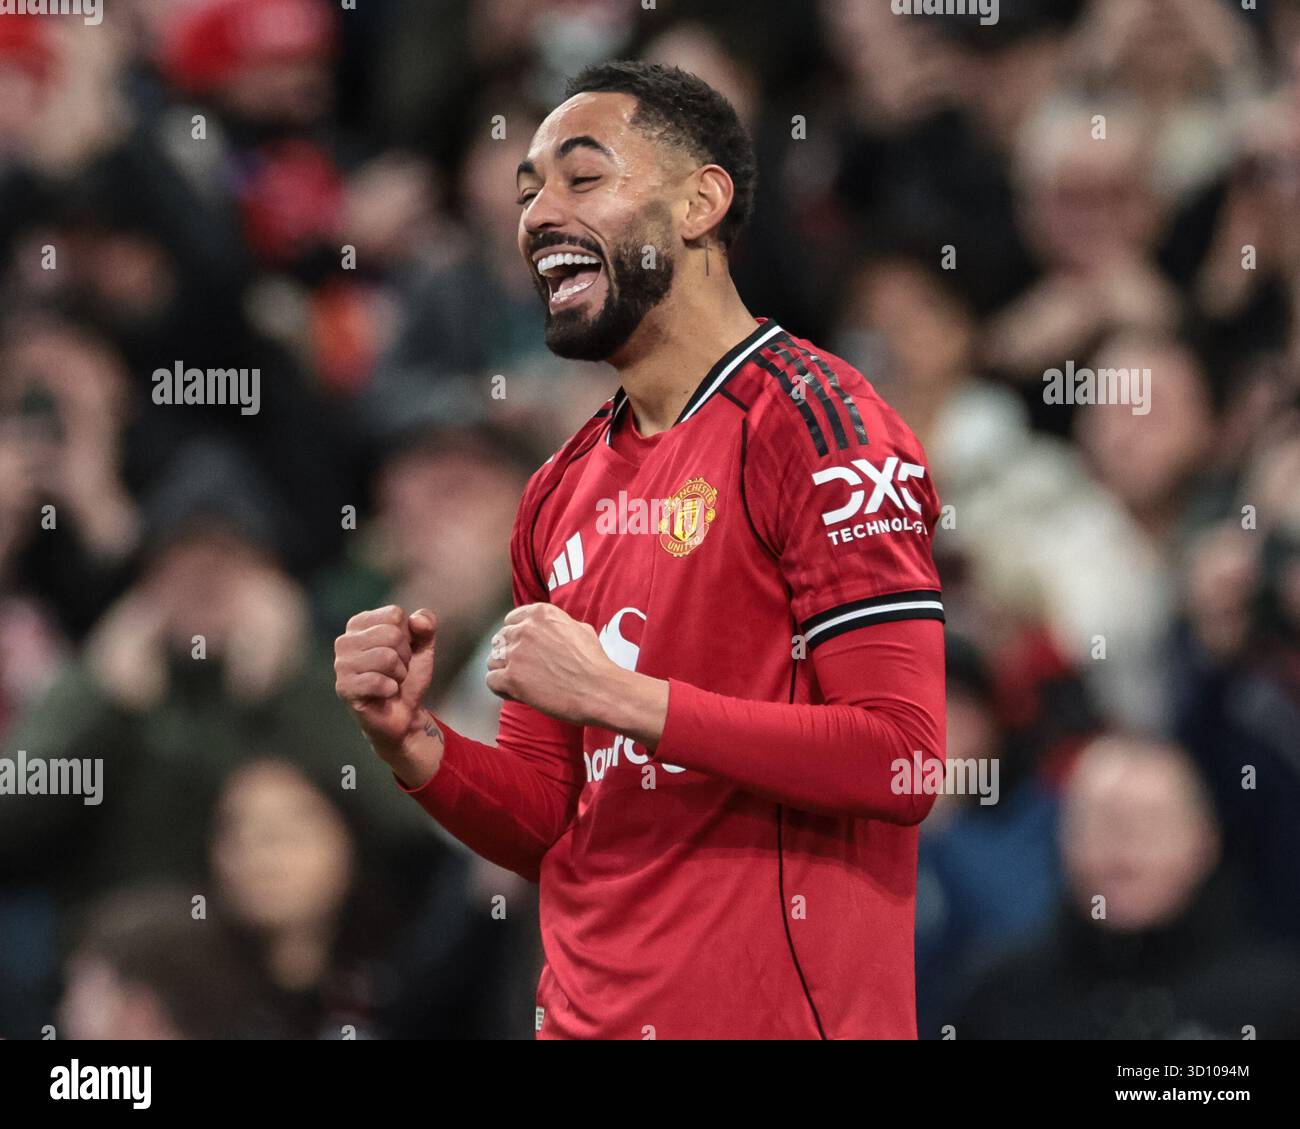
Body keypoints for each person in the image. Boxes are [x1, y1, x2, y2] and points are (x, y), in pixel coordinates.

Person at [333, 61, 947, 1039]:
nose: (537, 214)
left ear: (701, 201)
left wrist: (625, 698)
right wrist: (414, 742)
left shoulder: (822, 427)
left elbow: (903, 761)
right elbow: (547, 817)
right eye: (526, 190)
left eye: (582, 178)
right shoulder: (554, 493)